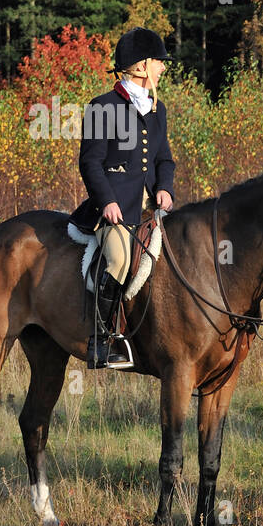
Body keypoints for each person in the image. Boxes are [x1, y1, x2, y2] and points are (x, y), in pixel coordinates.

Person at [70, 27, 176, 369]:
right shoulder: (103, 106)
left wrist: (165, 188)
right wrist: (108, 202)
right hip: (113, 212)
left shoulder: (158, 110)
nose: (163, 67)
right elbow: (90, 163)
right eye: (159, 62)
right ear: (142, 65)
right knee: (117, 259)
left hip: (149, 211)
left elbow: (164, 160)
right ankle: (103, 340)